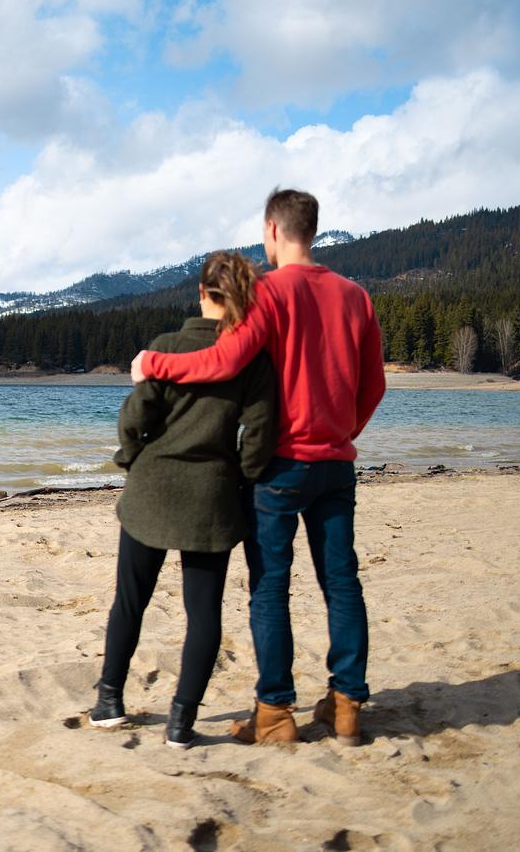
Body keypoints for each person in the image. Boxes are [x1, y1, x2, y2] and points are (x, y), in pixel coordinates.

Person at [130, 188, 386, 746]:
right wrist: (342, 433)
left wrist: (152, 362)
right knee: (341, 582)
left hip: (280, 467)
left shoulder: (269, 291)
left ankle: (274, 712)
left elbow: (223, 360)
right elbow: (374, 387)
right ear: (310, 230)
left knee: (270, 587)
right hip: (336, 466)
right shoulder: (355, 296)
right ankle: (347, 705)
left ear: (272, 231)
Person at [90, 251, 277, 748]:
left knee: (130, 601)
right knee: (205, 615)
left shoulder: (168, 347)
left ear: (200, 292)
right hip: (212, 498)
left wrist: (133, 460)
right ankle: (180, 722)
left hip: (152, 489)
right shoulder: (254, 361)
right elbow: (259, 434)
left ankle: (109, 700)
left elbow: (134, 418)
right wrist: (240, 479)